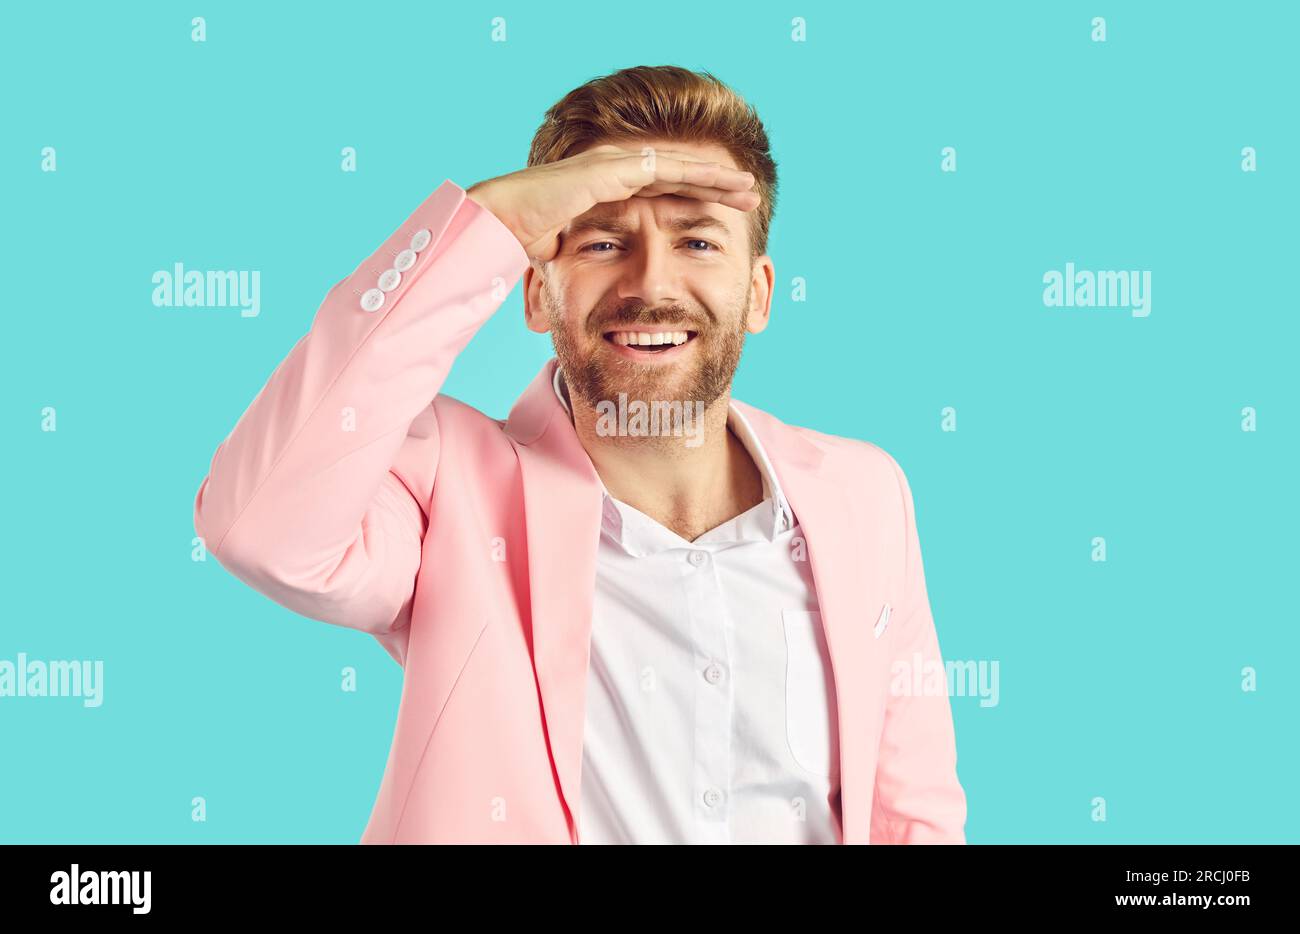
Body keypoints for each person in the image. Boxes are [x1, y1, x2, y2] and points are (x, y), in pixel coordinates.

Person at [193, 64, 966, 844]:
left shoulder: (864, 496)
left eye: (697, 240)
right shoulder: (447, 486)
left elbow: (915, 817)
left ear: (759, 293)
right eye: (602, 240)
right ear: (534, 292)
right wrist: (488, 223)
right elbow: (256, 528)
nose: (649, 282)